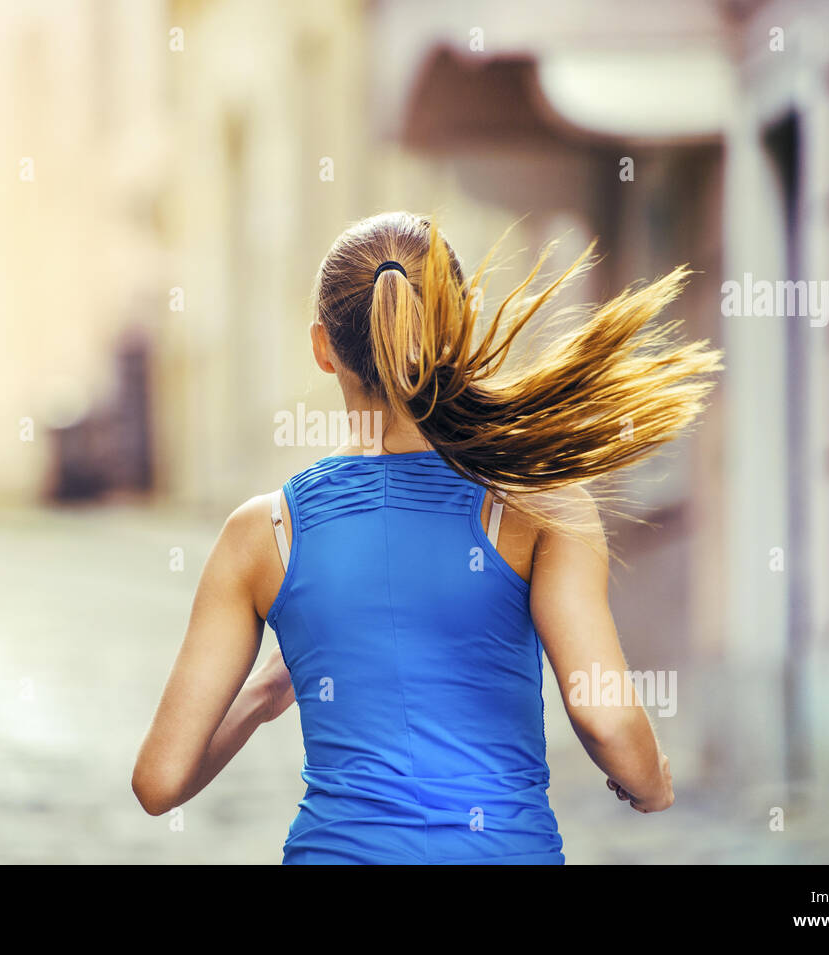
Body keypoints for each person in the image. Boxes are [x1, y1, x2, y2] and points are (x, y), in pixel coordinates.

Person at [132, 211, 722, 864]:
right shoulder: (539, 507)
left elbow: (160, 782)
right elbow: (604, 715)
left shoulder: (263, 532)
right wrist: (651, 781)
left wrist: (262, 696)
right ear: (461, 327)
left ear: (323, 348)